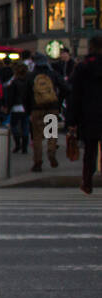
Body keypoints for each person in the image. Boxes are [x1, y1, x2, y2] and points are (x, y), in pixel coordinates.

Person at [66, 35, 102, 194]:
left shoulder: (83, 67)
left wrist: (72, 120)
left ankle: (87, 182)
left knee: (90, 150)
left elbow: (75, 95)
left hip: (89, 114)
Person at [26, 52, 66, 172]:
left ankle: (37, 162)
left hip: (36, 109)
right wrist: (59, 102)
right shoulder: (53, 74)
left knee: (37, 137)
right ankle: (51, 153)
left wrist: (28, 109)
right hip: (52, 107)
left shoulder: (31, 76)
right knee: (51, 133)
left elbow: (26, 94)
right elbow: (66, 88)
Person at [5, 61, 31, 153]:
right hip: (26, 106)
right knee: (25, 126)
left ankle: (17, 144)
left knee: (14, 126)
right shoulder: (29, 81)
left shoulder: (14, 82)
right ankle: (24, 147)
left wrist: (8, 107)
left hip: (16, 106)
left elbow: (10, 96)